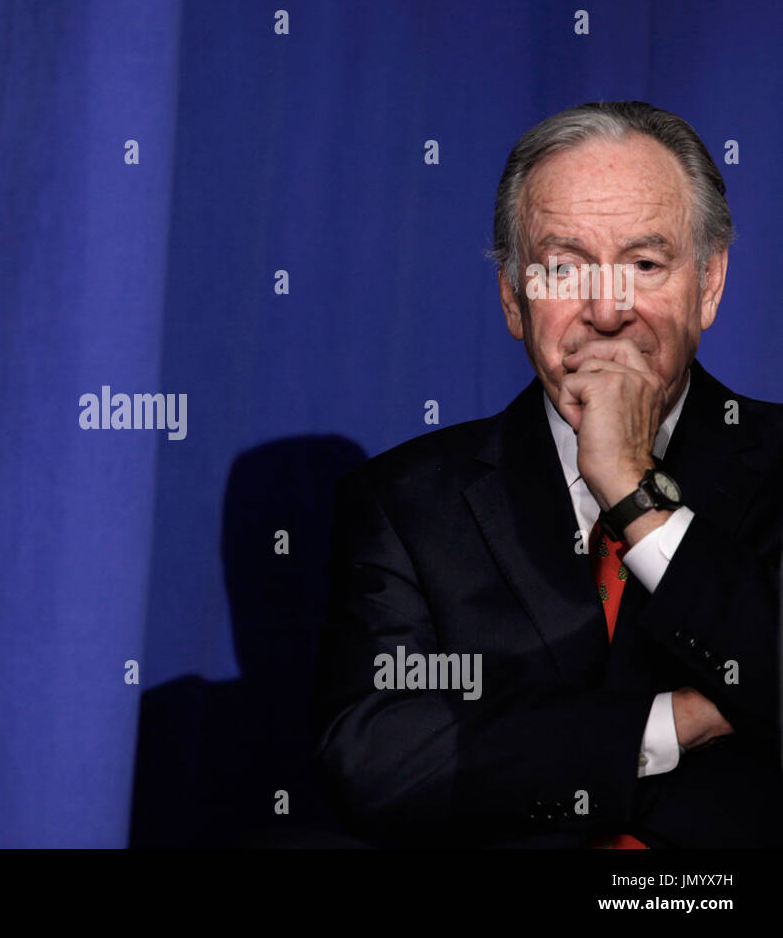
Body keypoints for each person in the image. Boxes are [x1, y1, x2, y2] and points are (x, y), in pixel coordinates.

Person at [313, 101, 783, 848]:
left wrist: (632, 489)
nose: (606, 311)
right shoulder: (406, 504)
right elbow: (376, 759)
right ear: (511, 296)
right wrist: (675, 722)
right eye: (564, 268)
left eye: (645, 263)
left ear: (711, 283)